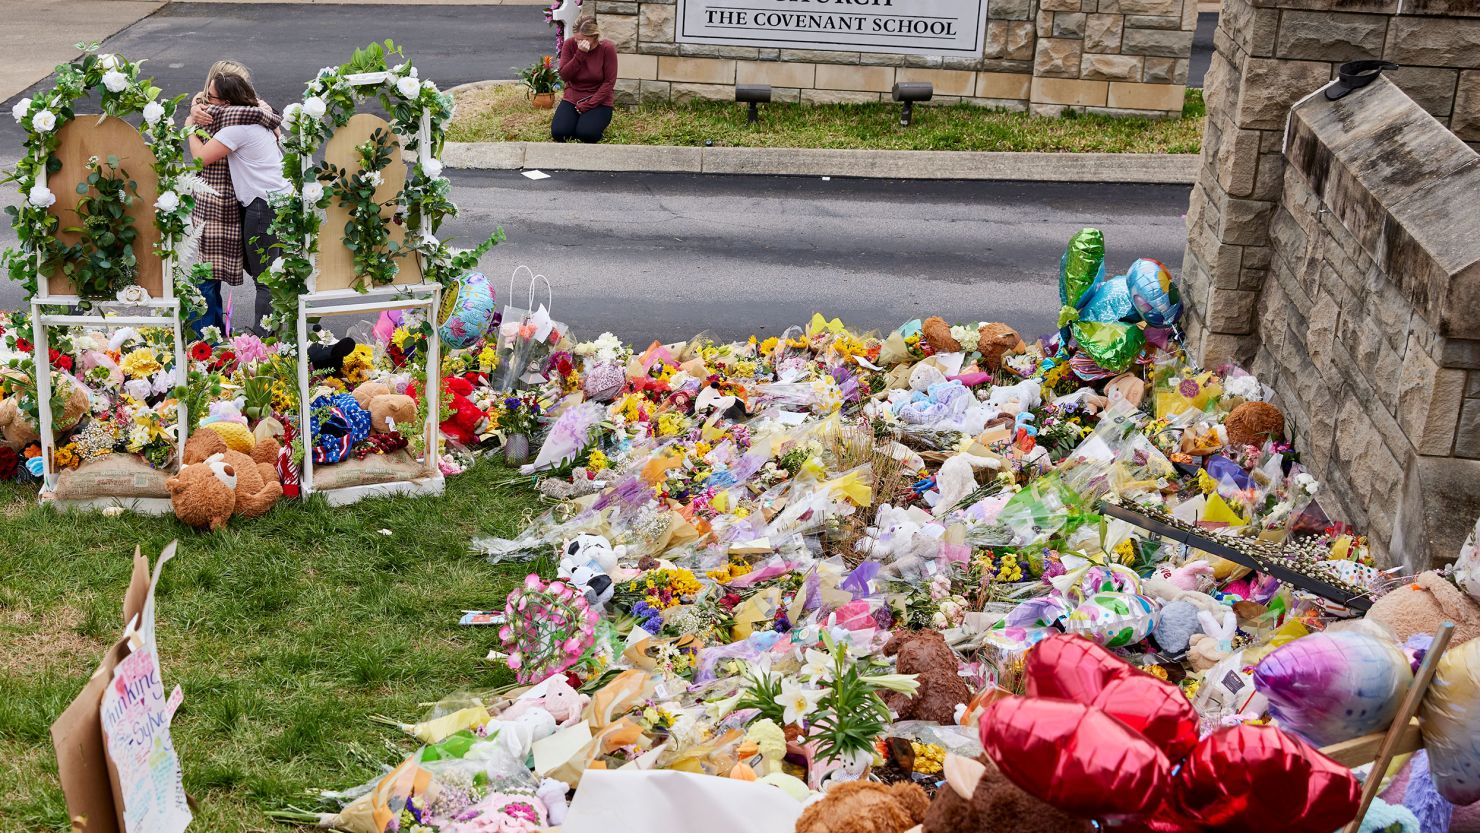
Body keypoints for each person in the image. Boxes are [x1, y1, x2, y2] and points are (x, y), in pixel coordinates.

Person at [185, 69, 287, 337]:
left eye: (211, 97)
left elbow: (198, 158)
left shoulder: (237, 129)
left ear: (227, 103)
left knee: (265, 277)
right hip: (276, 200)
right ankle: (275, 333)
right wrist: (196, 104)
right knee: (268, 272)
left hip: (262, 204)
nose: (207, 101)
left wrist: (189, 128)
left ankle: (262, 339)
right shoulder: (256, 117)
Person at [552, 17, 617, 144]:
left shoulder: (607, 48)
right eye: (577, 39)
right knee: (559, 133)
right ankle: (577, 121)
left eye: (584, 40)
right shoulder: (570, 44)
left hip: (599, 100)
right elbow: (564, 76)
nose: (579, 43)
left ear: (594, 36)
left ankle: (589, 122)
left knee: (587, 135)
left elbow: (609, 82)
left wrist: (588, 105)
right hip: (573, 97)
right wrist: (580, 54)